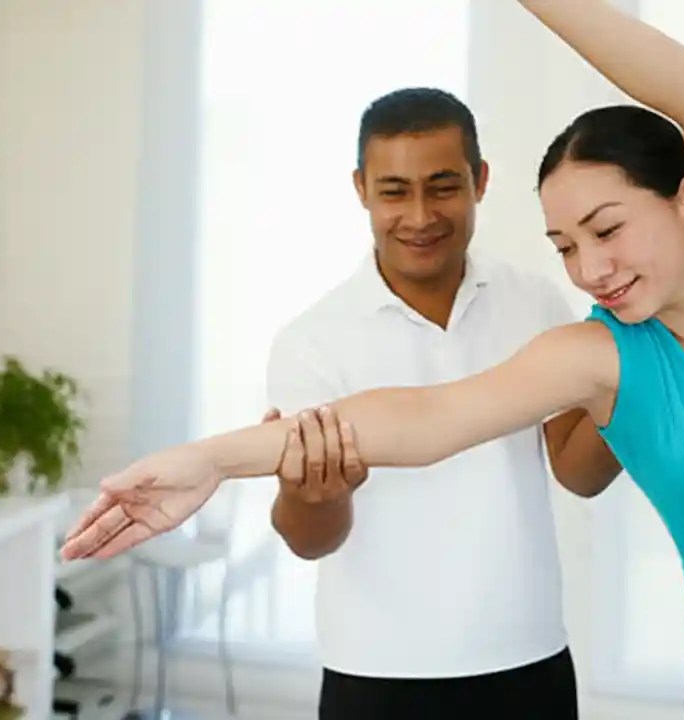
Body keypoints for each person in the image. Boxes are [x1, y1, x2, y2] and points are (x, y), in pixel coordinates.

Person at [63, 1, 684, 718]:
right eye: (566, 246)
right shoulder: (599, 355)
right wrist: (209, 459)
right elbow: (423, 419)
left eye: (606, 229)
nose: (591, 269)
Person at [257, 87, 621, 720]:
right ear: (361, 190)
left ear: (480, 181)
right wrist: (309, 494)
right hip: (375, 673)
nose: (420, 216)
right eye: (395, 191)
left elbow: (579, 472)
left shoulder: (534, 301)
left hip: (527, 660)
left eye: (443, 186)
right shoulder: (311, 342)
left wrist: (633, 364)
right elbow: (311, 542)